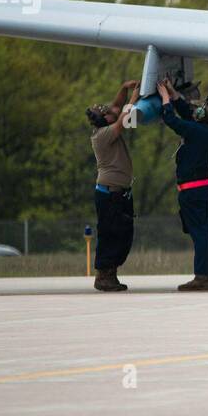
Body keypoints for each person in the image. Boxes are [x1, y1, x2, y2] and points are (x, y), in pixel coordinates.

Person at [157, 78, 208, 291]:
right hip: (203, 188)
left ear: (202, 115)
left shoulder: (195, 131)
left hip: (192, 191)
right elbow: (186, 113)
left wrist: (165, 99)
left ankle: (201, 277)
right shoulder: (206, 130)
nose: (195, 109)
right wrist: (173, 92)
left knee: (199, 233)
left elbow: (172, 120)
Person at [86, 80, 139, 292]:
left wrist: (124, 89)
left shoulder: (105, 125)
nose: (112, 111)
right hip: (110, 194)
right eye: (108, 112)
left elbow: (117, 107)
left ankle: (111, 274)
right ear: (104, 120)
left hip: (119, 193)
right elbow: (124, 117)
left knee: (123, 234)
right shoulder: (103, 135)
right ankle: (103, 276)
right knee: (110, 234)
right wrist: (134, 97)